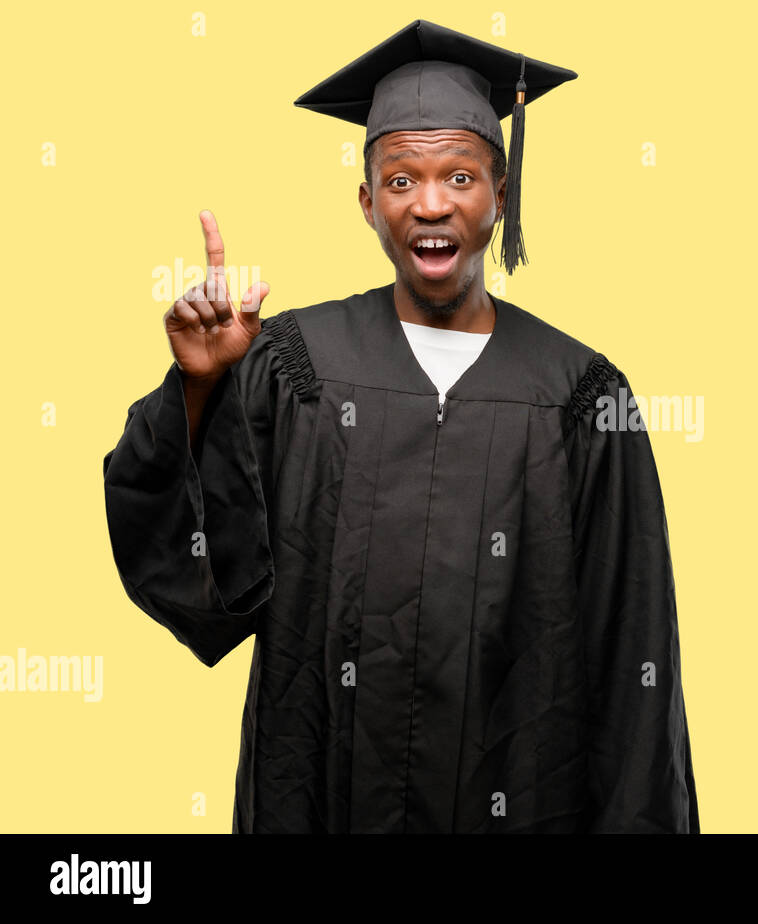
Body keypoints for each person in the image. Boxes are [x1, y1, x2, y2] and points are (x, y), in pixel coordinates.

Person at [102, 19, 699, 834]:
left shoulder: (582, 398)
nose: (430, 203)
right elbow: (203, 583)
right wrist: (201, 389)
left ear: (501, 194)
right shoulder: (293, 366)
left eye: (460, 175)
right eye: (400, 179)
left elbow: (635, 655)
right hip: (319, 799)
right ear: (366, 201)